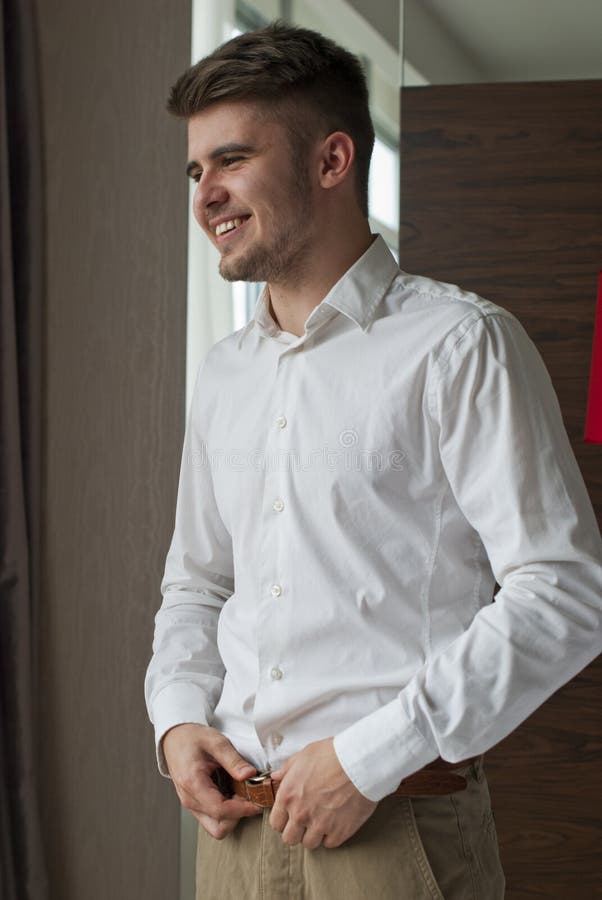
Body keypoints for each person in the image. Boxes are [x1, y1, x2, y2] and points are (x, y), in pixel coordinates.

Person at [144, 22, 602, 900]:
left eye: (232, 159)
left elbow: (564, 589)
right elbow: (199, 583)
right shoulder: (224, 372)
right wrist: (177, 721)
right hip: (234, 839)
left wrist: (371, 757)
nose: (207, 195)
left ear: (331, 160)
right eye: (196, 171)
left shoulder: (459, 344)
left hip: (397, 832)